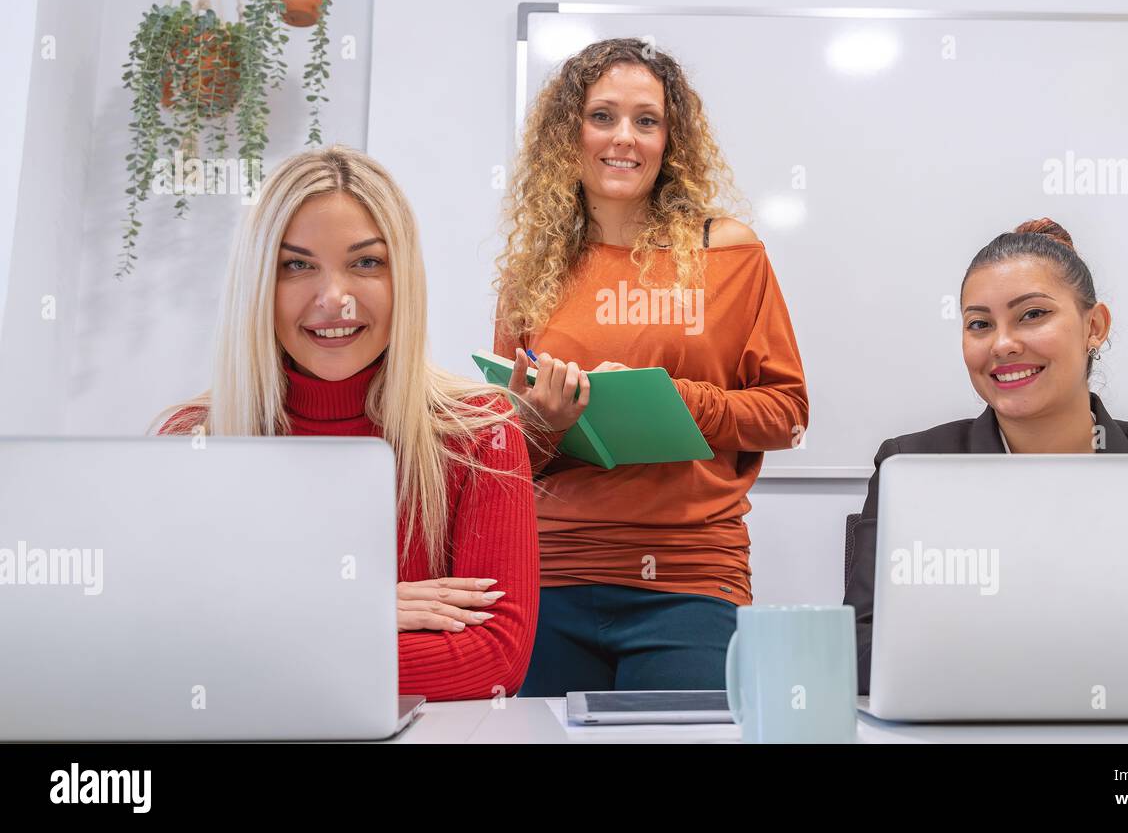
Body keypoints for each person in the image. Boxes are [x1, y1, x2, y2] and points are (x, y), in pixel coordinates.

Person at [843, 217, 1128, 700]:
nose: (1002, 344)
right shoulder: (913, 465)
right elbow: (856, 644)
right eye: (979, 324)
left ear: (1094, 327)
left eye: (1032, 314)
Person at [154, 145, 538, 700]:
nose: (334, 298)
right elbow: (171, 651)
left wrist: (262, 641)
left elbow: (493, 659)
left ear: (401, 277)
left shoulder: (480, 432)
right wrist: (359, 608)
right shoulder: (192, 441)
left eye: (365, 262)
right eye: (297, 265)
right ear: (258, 282)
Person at [493, 38, 809, 694]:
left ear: (671, 139)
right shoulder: (533, 273)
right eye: (602, 116)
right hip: (552, 574)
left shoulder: (727, 253)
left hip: (690, 576)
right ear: (569, 134)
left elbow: (787, 414)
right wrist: (543, 421)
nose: (624, 139)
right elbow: (509, 451)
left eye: (647, 120)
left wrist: (672, 400)